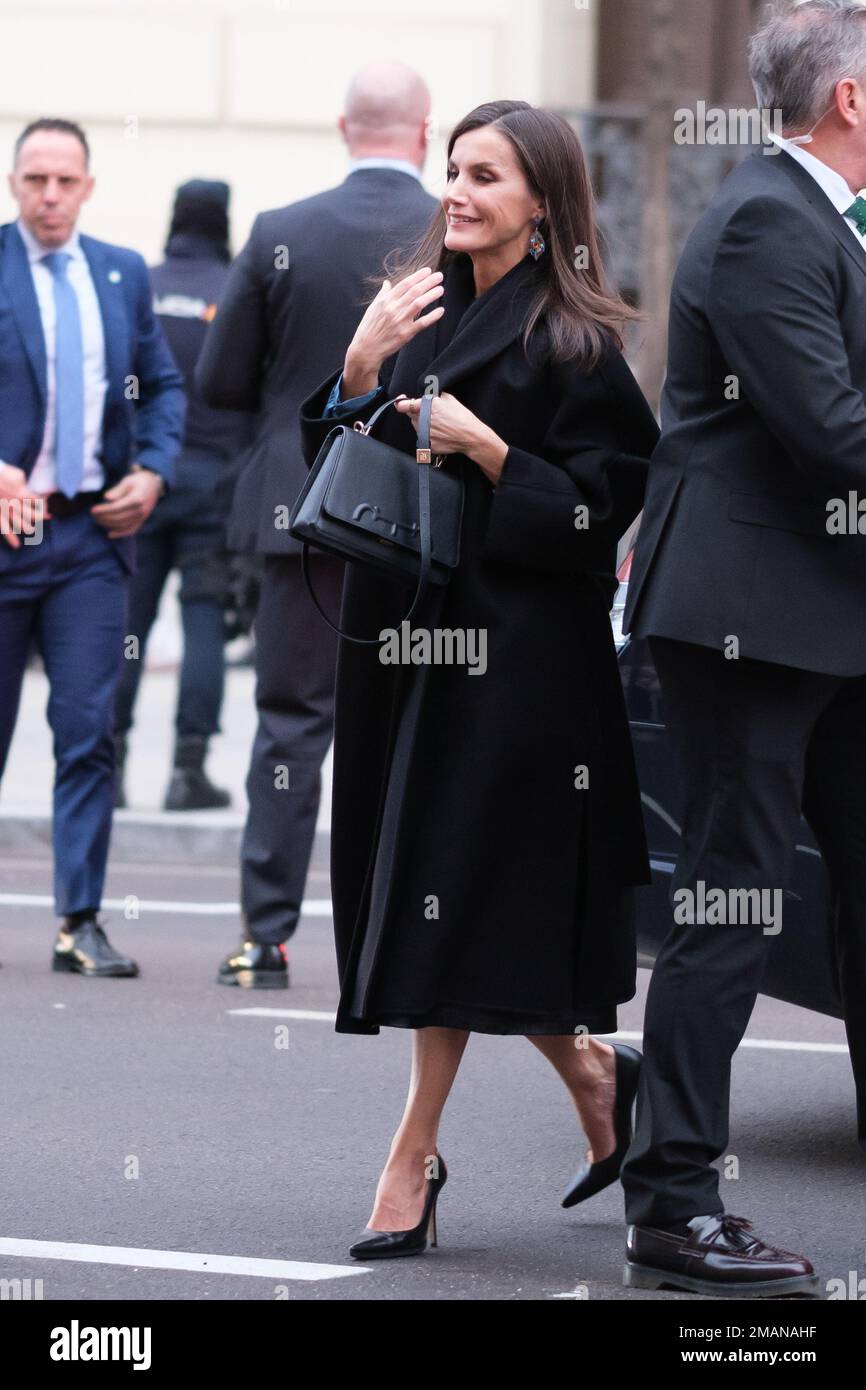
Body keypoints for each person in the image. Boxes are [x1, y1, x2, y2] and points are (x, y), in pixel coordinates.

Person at [299, 99, 659, 1258]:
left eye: (485, 175)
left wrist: (495, 453)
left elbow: (603, 511)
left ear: (542, 200)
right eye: (451, 170)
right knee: (441, 896)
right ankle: (599, 1080)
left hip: (516, 667)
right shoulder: (411, 308)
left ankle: (412, 1159)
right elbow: (337, 477)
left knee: (453, 889)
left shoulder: (576, 339)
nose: (456, 192)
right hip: (403, 648)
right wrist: (356, 368)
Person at [620, 0, 866, 1298]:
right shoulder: (772, 214)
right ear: (851, 101)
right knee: (730, 898)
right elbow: (830, 428)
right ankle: (672, 1203)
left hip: (823, 613)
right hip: (749, 616)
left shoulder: (817, 220)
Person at [197, 61, 438, 991]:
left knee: (291, 726)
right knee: (415, 726)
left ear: (345, 127)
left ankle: (265, 936)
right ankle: (399, 937)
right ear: (423, 133)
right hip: (418, 516)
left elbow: (221, 380)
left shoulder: (279, 231)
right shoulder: (451, 232)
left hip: (299, 512)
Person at [0, 118, 184, 977]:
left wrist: (151, 472)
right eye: (35, 178)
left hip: (86, 537)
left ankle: (79, 920)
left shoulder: (119, 274)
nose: (49, 195)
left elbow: (164, 384)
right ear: (13, 183)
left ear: (87, 185)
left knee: (88, 731)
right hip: (7, 530)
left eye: (64, 180)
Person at [113, 180, 254, 812]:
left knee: (127, 626)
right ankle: (187, 773)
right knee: (204, 626)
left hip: (141, 479)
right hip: (213, 486)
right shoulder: (234, 294)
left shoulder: (137, 284)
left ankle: (106, 767)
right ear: (223, 223)